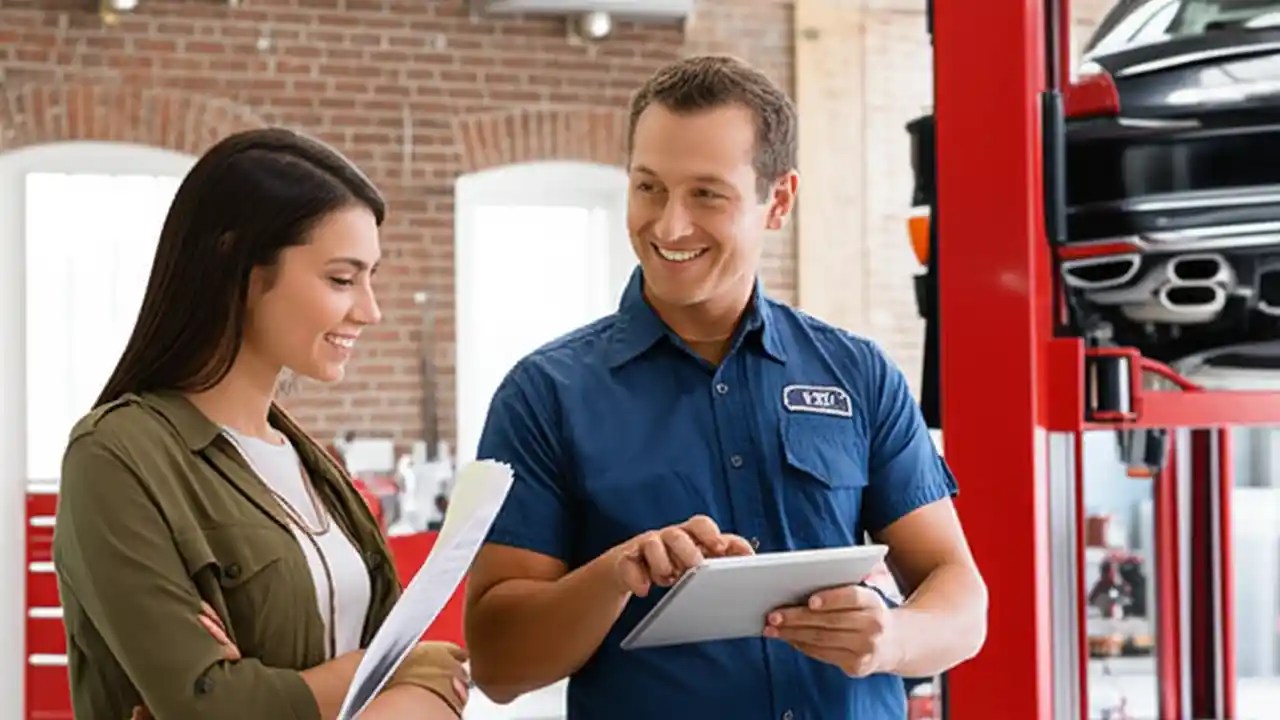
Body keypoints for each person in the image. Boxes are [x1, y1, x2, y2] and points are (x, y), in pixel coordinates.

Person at [462, 55, 989, 719]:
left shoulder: (857, 374)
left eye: (707, 194)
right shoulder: (544, 396)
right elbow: (499, 666)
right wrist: (617, 574)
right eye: (649, 188)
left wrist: (893, 638)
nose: (669, 226)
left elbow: (961, 600)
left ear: (780, 201)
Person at [52, 128, 468, 720]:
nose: (370, 310)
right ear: (240, 267)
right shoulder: (114, 457)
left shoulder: (312, 468)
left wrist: (288, 689)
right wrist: (388, 669)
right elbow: (215, 709)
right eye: (342, 279)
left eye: (370, 277)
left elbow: (434, 685)